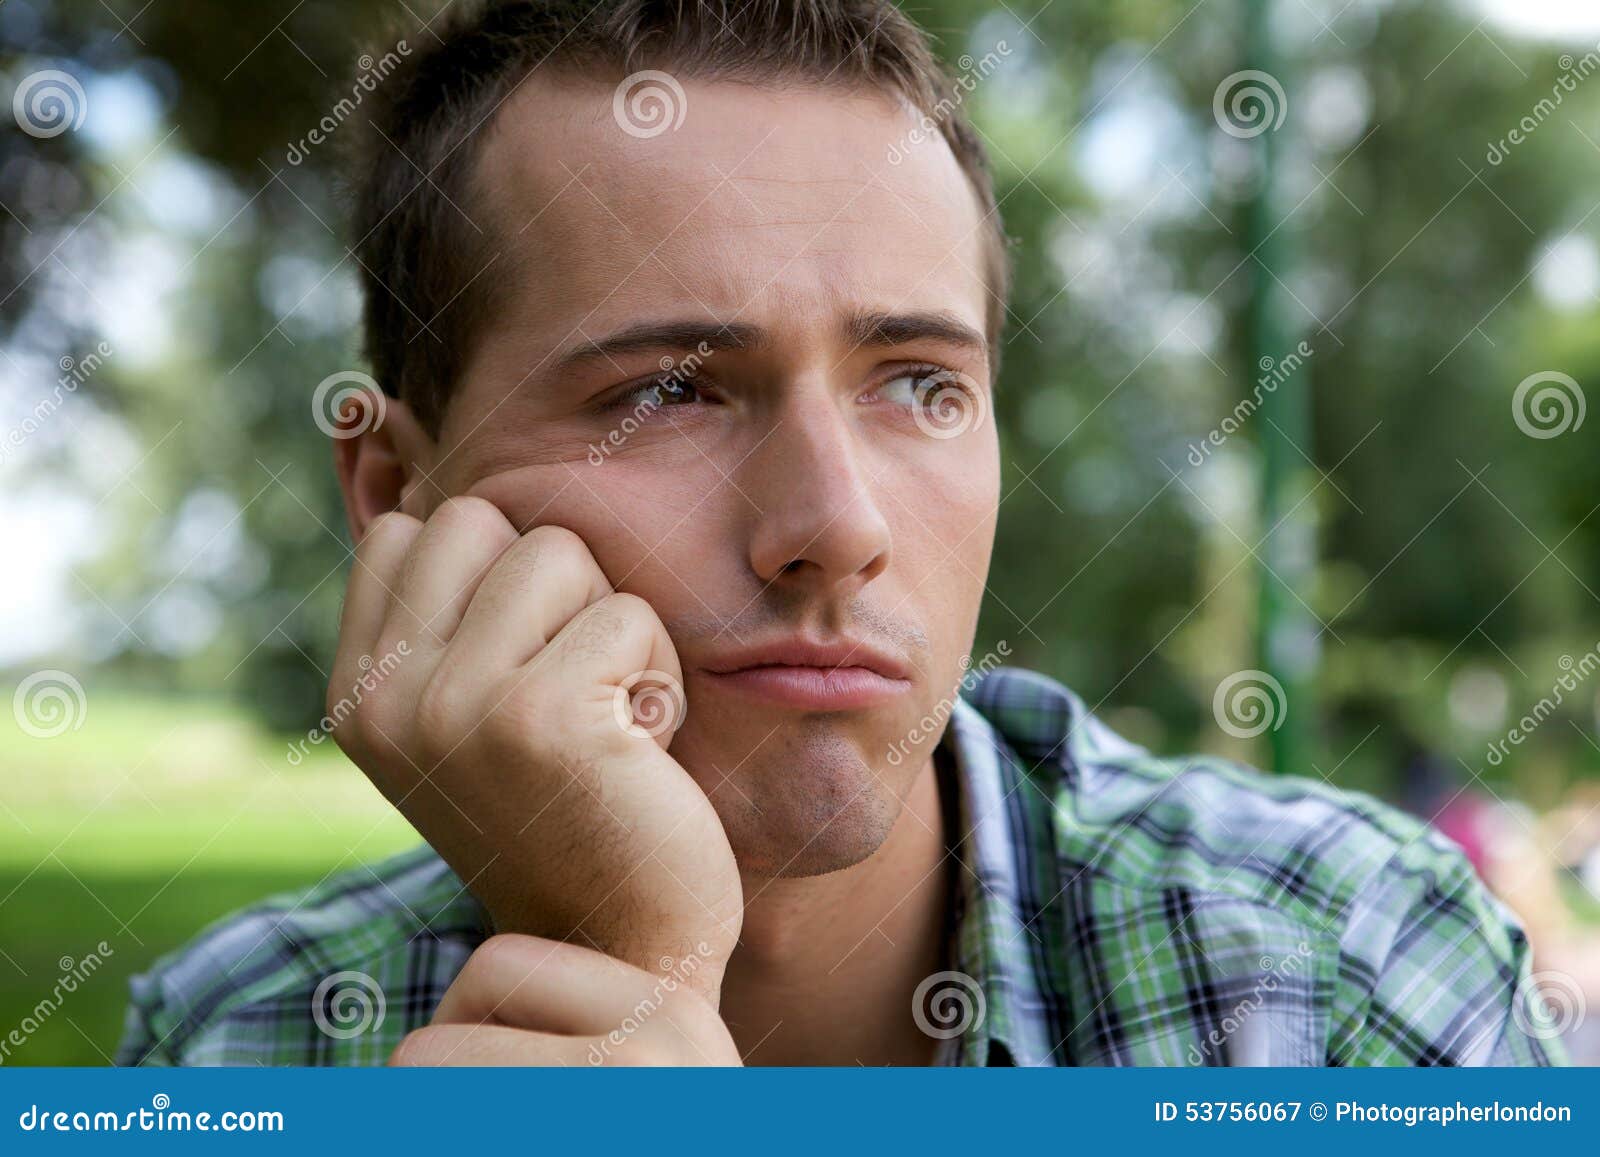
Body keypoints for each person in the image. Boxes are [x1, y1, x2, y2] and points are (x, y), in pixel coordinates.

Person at [115, 0, 1562, 1067]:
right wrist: (635, 958)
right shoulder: (239, 1038)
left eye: (921, 385)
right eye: (671, 390)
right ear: (394, 497)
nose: (837, 527)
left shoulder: (1355, 973)